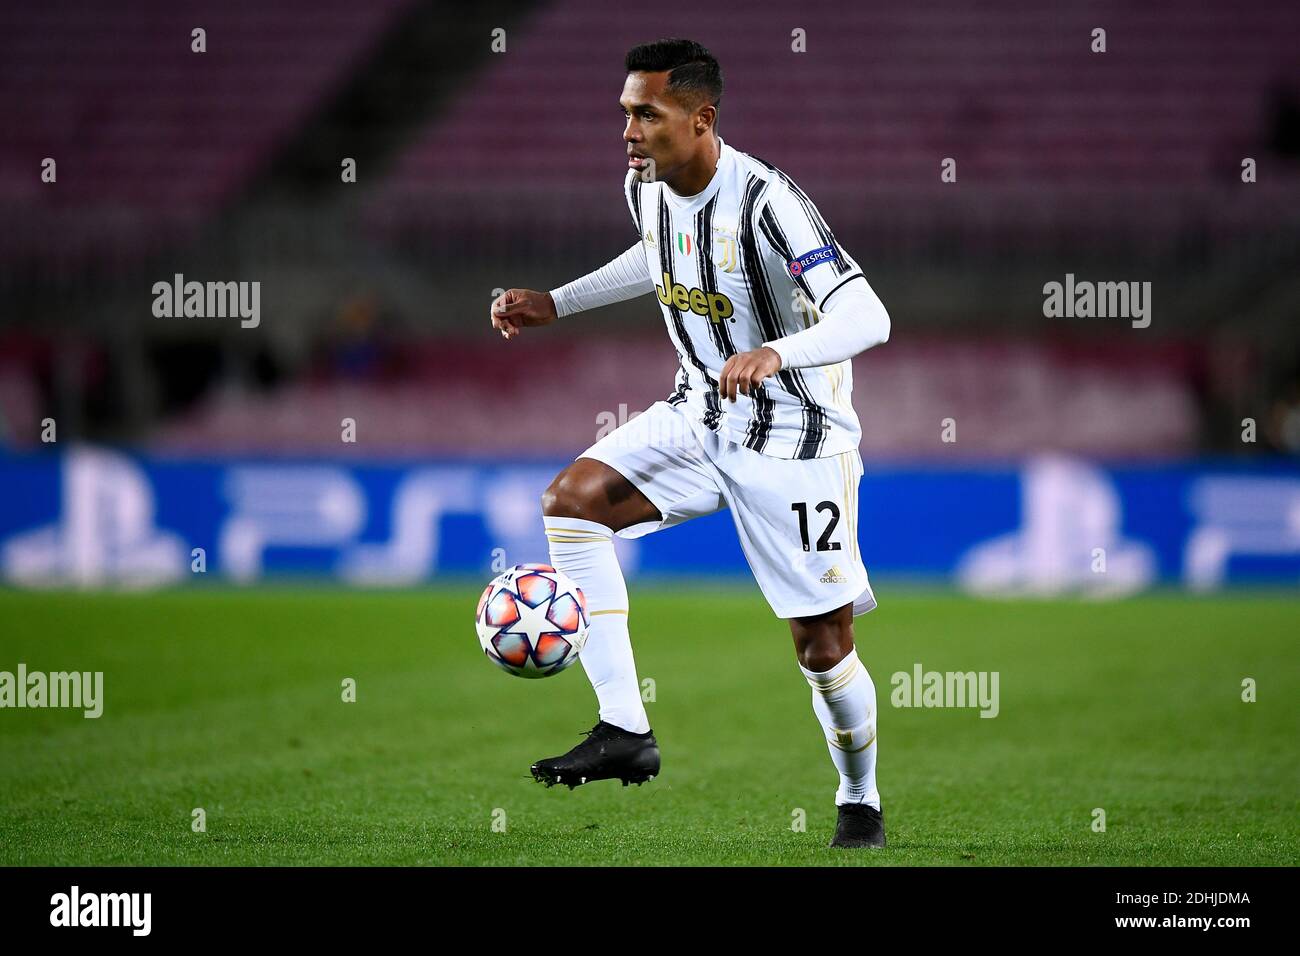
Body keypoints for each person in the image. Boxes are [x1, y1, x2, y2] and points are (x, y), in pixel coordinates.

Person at [489, 38, 891, 848]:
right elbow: (658, 254)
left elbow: (868, 317)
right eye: (625, 113)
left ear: (701, 119)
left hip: (795, 437)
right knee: (571, 503)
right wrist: (557, 303)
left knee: (822, 646)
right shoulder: (646, 187)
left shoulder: (769, 202)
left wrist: (780, 351)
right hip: (699, 412)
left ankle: (859, 797)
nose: (629, 131)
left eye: (648, 114)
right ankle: (625, 730)